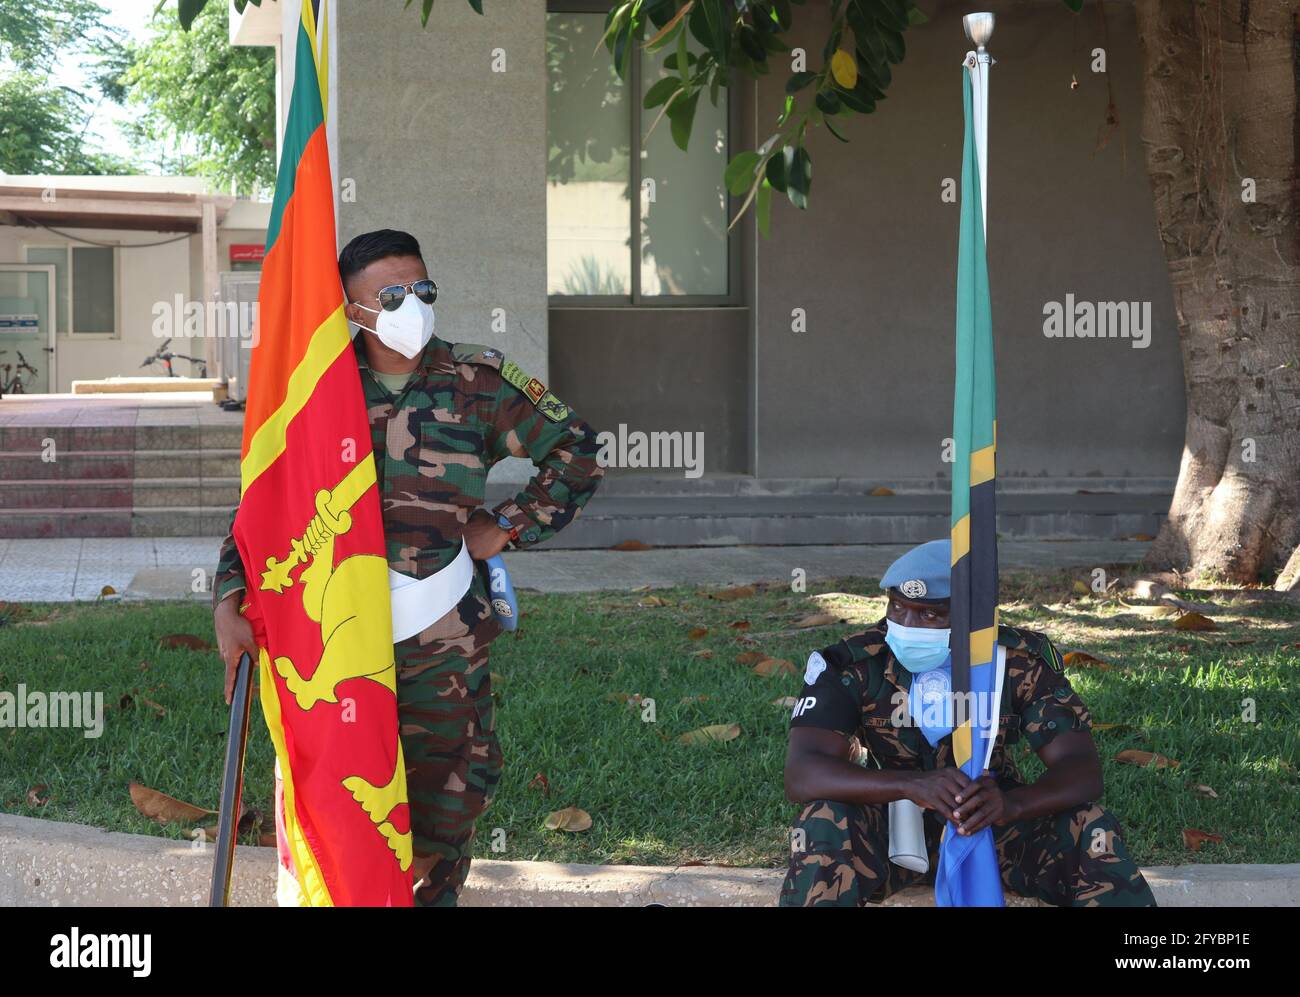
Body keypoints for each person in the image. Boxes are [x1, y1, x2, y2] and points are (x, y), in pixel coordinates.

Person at [213, 228, 604, 906]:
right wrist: (229, 596)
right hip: (337, 642)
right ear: (352, 310)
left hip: (441, 636)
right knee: (342, 802)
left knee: (444, 806)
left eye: (423, 290)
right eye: (391, 294)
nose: (412, 305)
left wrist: (506, 525)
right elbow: (265, 508)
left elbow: (576, 449)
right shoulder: (318, 392)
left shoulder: (475, 381)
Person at [780, 539, 1156, 907]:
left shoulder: (1016, 660)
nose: (907, 625)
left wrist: (1012, 805)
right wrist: (910, 785)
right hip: (892, 827)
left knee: (1091, 824)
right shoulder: (853, 663)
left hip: (995, 827)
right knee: (823, 819)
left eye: (930, 614)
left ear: (972, 614)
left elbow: (1081, 769)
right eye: (897, 608)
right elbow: (803, 773)